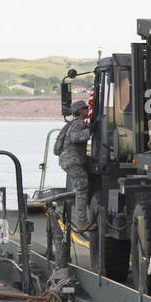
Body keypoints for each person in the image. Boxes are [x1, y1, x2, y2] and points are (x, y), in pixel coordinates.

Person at [56, 97, 94, 229]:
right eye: (85, 108)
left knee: (80, 188)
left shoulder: (75, 123)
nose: (87, 110)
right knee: (82, 189)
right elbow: (75, 137)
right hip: (73, 161)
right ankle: (82, 222)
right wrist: (90, 130)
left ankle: (81, 221)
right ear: (79, 111)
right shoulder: (79, 124)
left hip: (69, 161)